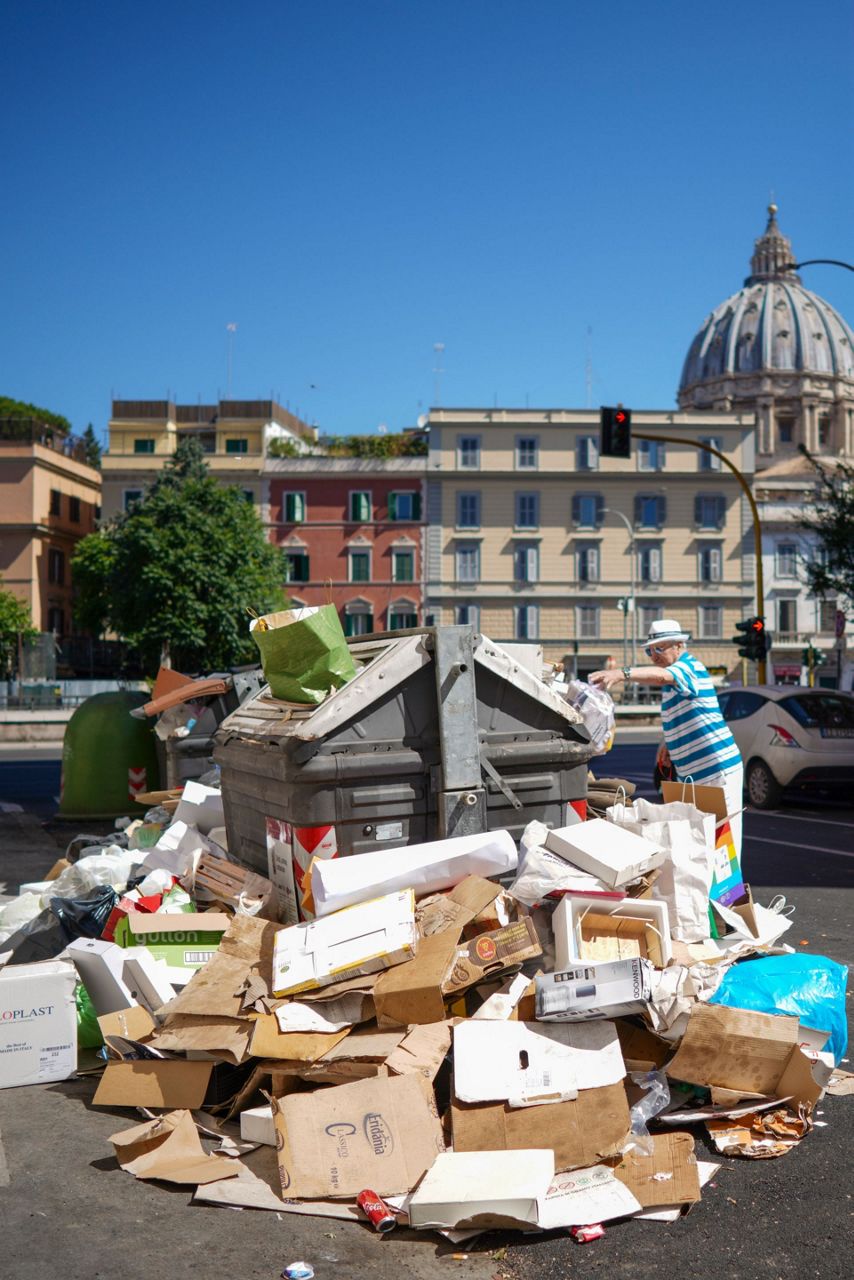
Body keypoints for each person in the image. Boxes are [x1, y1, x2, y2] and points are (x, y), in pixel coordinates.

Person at [589, 619, 744, 857]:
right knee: (700, 842)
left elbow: (662, 676)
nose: (653, 655)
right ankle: (709, 894)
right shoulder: (674, 682)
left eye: (659, 649)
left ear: (679, 646)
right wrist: (668, 744)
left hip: (716, 770)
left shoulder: (689, 667)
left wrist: (622, 673)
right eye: (649, 650)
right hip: (693, 775)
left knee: (723, 845)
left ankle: (730, 895)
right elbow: (682, 714)